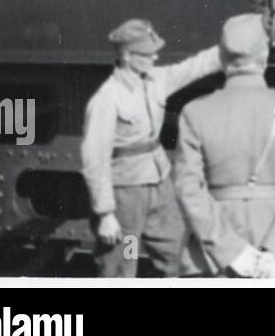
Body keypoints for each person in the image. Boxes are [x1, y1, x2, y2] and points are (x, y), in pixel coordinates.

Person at [174, 13, 275, 278]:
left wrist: (232, 252)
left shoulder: (195, 113)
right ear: (265, 55)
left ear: (221, 57)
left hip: (213, 260)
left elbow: (188, 189)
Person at [80, 19, 222, 277]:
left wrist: (237, 42)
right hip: (126, 193)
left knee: (175, 252)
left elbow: (196, 66)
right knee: (123, 263)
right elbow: (94, 160)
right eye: (147, 53)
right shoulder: (107, 99)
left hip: (160, 183)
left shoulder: (157, 79)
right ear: (126, 56)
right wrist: (105, 213)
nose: (155, 56)